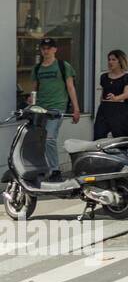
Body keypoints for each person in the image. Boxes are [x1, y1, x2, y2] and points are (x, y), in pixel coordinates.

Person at [29, 38, 80, 179]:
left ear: (55, 49)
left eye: (49, 48)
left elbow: (71, 87)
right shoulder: (37, 68)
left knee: (49, 138)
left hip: (57, 108)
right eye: (43, 48)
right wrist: (31, 101)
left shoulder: (63, 66)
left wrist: (76, 109)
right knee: (38, 140)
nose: (46, 51)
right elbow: (33, 90)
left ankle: (55, 170)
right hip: (39, 109)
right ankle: (41, 168)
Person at [94, 49, 128, 140]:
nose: (110, 62)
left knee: (121, 138)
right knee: (98, 136)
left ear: (120, 61)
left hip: (120, 109)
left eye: (113, 59)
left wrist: (116, 98)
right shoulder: (104, 77)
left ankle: (124, 153)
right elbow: (103, 92)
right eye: (109, 59)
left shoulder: (127, 78)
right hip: (104, 108)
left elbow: (126, 94)